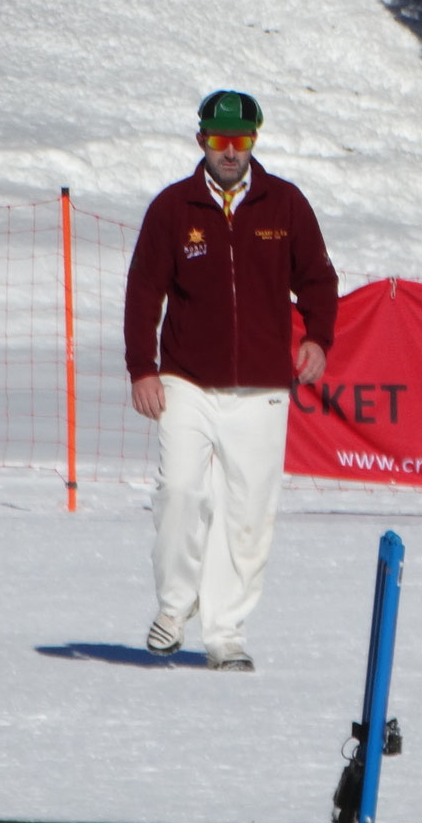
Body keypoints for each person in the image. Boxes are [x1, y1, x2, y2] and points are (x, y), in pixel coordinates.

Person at [124, 89, 337, 671]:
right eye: (218, 140)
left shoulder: (284, 204)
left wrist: (318, 337)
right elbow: (144, 291)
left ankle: (225, 635)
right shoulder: (173, 208)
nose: (229, 151)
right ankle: (174, 606)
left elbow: (318, 278)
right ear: (201, 141)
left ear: (254, 141)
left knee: (248, 510)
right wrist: (143, 368)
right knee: (182, 490)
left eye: (239, 140)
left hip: (262, 387)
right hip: (186, 381)